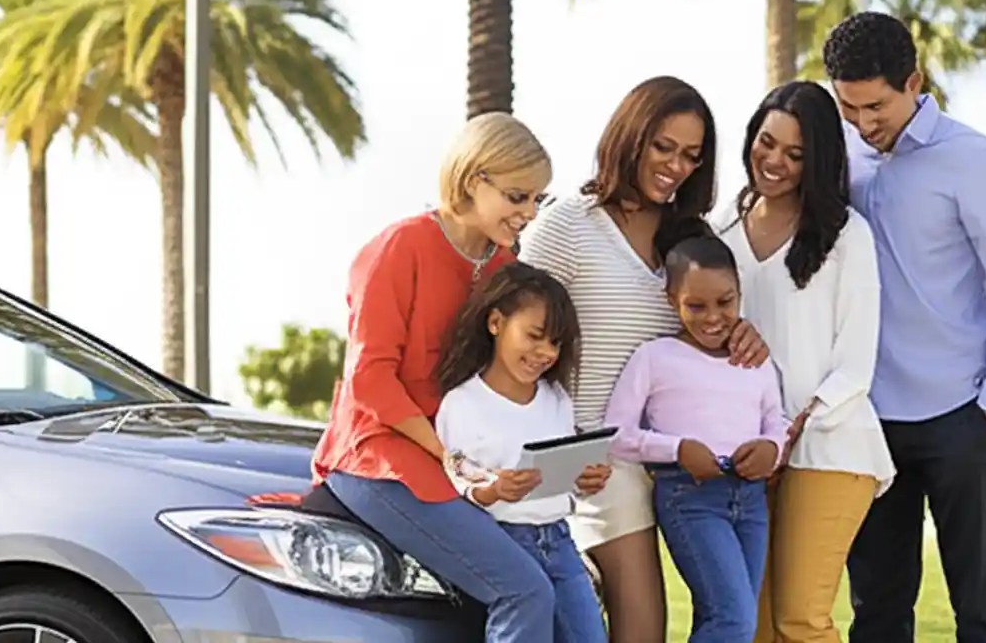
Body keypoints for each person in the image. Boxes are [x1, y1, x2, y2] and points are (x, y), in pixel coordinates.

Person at [518, 75, 769, 642]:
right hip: (601, 460)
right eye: (664, 147)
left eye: (691, 155)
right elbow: (514, 340)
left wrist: (742, 333)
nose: (676, 165)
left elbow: (706, 328)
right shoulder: (569, 224)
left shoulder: (693, 239)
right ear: (631, 135)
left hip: (689, 469)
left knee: (731, 619)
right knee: (641, 630)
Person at [822, 11, 986, 643]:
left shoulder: (974, 160)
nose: (865, 122)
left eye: (877, 105)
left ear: (914, 80)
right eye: (848, 106)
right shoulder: (843, 162)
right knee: (878, 611)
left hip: (962, 416)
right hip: (873, 421)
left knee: (978, 606)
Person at [309, 112, 560, 643]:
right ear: (474, 181)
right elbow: (370, 382)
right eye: (519, 197)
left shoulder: (504, 267)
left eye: (539, 200)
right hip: (379, 458)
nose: (530, 214)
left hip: (457, 461)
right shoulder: (399, 249)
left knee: (558, 583)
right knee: (525, 591)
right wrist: (448, 454)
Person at [715, 80, 895, 643]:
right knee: (758, 627)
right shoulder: (720, 229)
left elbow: (855, 365)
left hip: (831, 444)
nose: (774, 161)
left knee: (801, 619)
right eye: (767, 143)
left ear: (816, 162)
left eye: (795, 154)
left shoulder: (847, 236)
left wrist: (794, 426)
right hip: (749, 449)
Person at [603, 235, 787, 643]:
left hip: (751, 501)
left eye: (726, 302)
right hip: (690, 498)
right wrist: (677, 449)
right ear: (672, 300)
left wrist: (772, 448)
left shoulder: (754, 359)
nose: (713, 317)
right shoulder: (655, 357)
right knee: (734, 621)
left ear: (739, 293)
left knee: (725, 619)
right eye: (696, 306)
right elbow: (616, 435)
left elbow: (777, 420)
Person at [434, 261, 612, 643]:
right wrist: (495, 488)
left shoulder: (555, 399)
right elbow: (459, 474)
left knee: (589, 636)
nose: (545, 352)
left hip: (560, 541)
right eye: (534, 336)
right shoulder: (463, 403)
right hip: (505, 540)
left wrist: (585, 480)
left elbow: (562, 475)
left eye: (555, 343)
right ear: (496, 323)